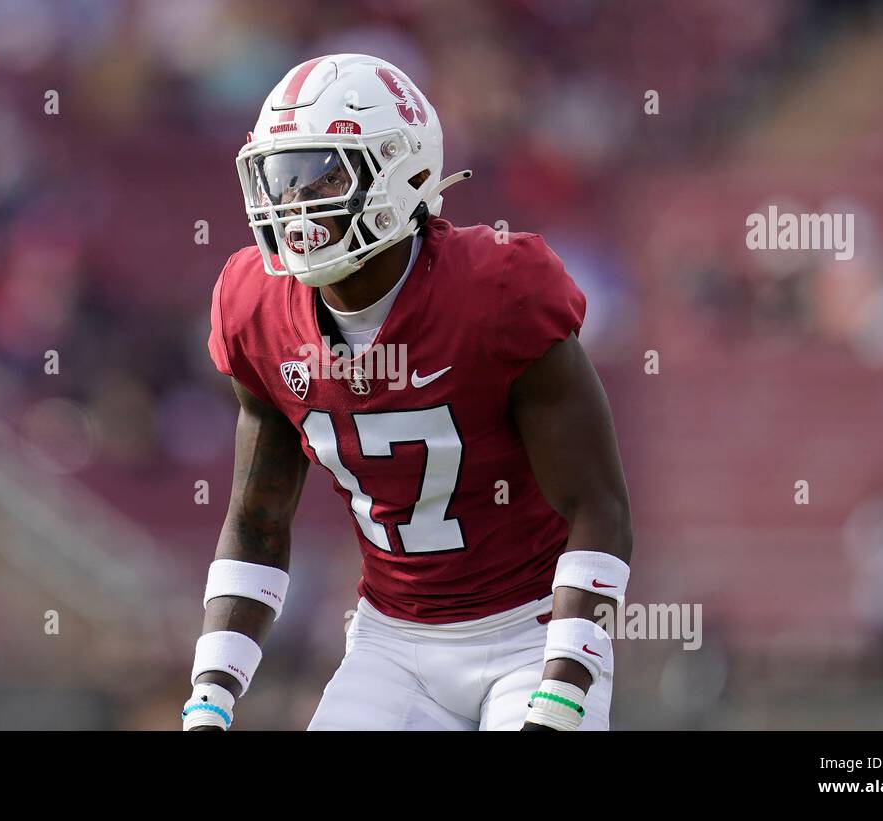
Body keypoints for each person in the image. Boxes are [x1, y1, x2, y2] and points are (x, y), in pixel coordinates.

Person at [183, 54, 632, 731]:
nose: (295, 203)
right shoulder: (258, 308)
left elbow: (599, 507)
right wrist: (211, 695)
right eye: (282, 177)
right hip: (394, 642)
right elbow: (257, 521)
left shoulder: (497, 292)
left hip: (533, 633)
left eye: (321, 174)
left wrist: (566, 686)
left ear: (404, 171)